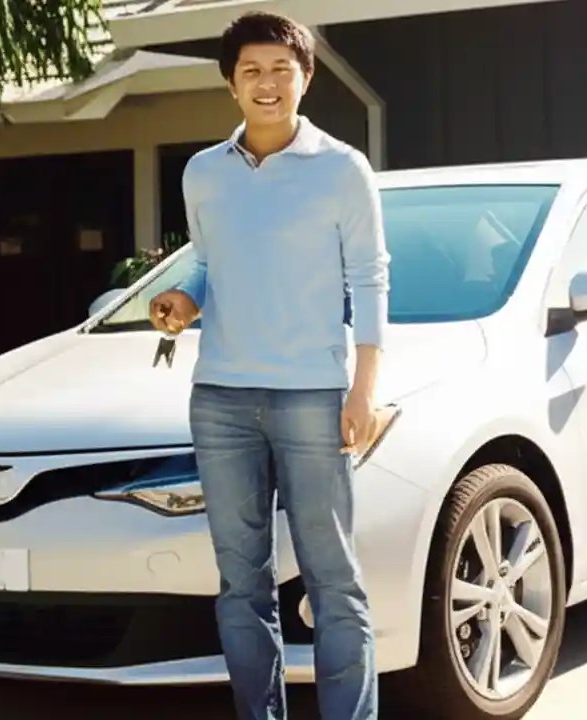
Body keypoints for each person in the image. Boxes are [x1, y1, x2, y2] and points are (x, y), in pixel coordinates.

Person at [148, 10, 389, 720]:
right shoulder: (202, 172)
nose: (266, 84)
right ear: (230, 83)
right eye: (250, 70)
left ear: (305, 78)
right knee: (240, 585)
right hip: (220, 399)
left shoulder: (343, 170)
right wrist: (183, 300)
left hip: (313, 398)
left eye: (281, 70)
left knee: (333, 580)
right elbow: (207, 263)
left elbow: (372, 281)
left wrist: (364, 391)